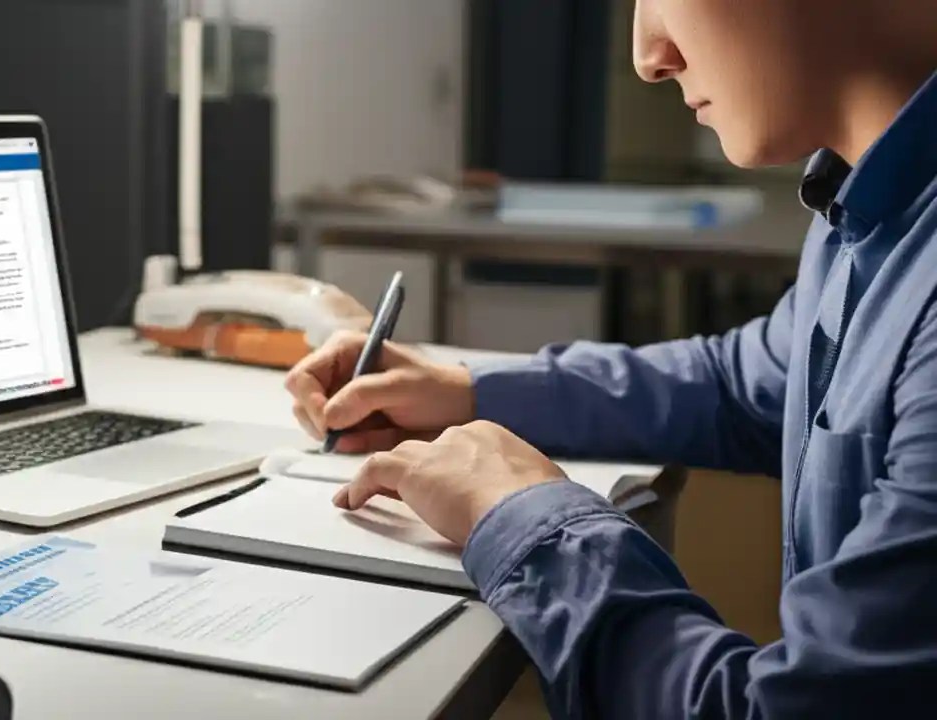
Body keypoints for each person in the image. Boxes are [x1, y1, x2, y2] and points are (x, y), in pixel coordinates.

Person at [285, 1, 937, 716]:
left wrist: (528, 520)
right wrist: (467, 392)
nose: (648, 54)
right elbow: (743, 385)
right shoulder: (867, 205)